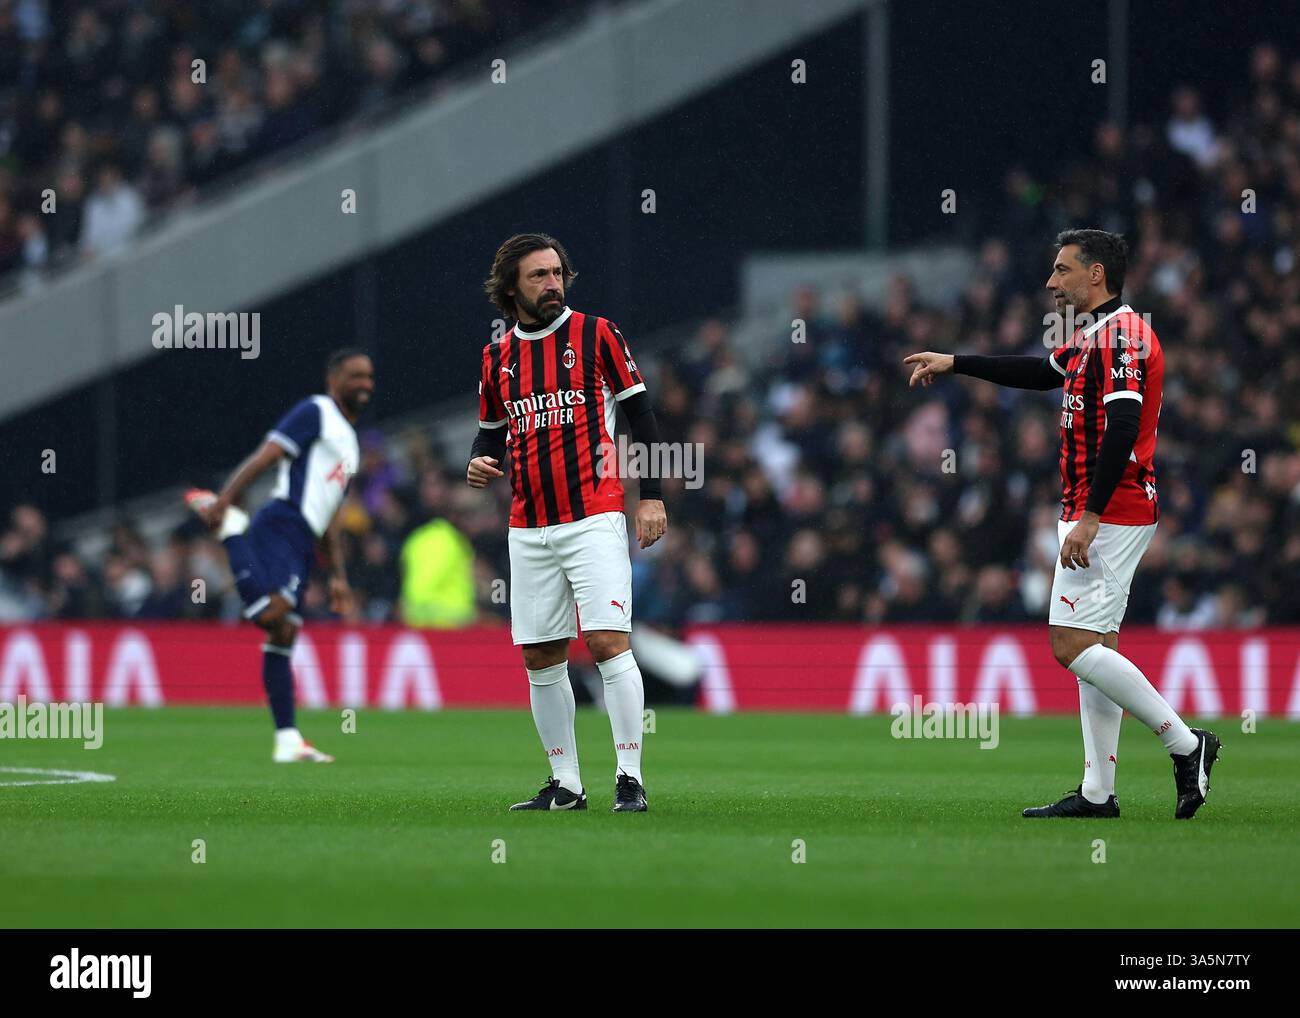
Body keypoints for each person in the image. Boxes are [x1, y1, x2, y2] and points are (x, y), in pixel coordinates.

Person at [904, 229, 1220, 819]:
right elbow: (1041, 373)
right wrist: (956, 363)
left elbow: (1123, 428)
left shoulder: (1123, 337)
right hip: (1094, 509)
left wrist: (1092, 517)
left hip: (1112, 509)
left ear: (1095, 274)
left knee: (1069, 644)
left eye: (1062, 270)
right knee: (1095, 647)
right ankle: (1099, 793)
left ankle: (1186, 743)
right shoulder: (1093, 337)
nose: (1051, 283)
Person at [468, 233, 667, 813]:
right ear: (512, 288)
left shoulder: (596, 334)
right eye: (539, 276)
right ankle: (567, 785)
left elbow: (642, 416)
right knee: (540, 655)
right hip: (527, 525)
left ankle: (629, 777)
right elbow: (491, 433)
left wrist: (650, 497)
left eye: (558, 273)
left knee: (607, 641)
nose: (553, 283)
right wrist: (481, 461)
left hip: (594, 514)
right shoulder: (497, 357)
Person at [186, 349, 373, 762]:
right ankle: (233, 532)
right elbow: (267, 453)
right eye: (355, 376)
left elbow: (331, 515)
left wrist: (338, 575)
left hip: (305, 538)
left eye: (369, 377)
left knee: (283, 633)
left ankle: (288, 740)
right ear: (333, 378)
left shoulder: (351, 444)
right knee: (272, 614)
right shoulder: (317, 410)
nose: (365, 384)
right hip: (282, 522)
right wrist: (227, 500)